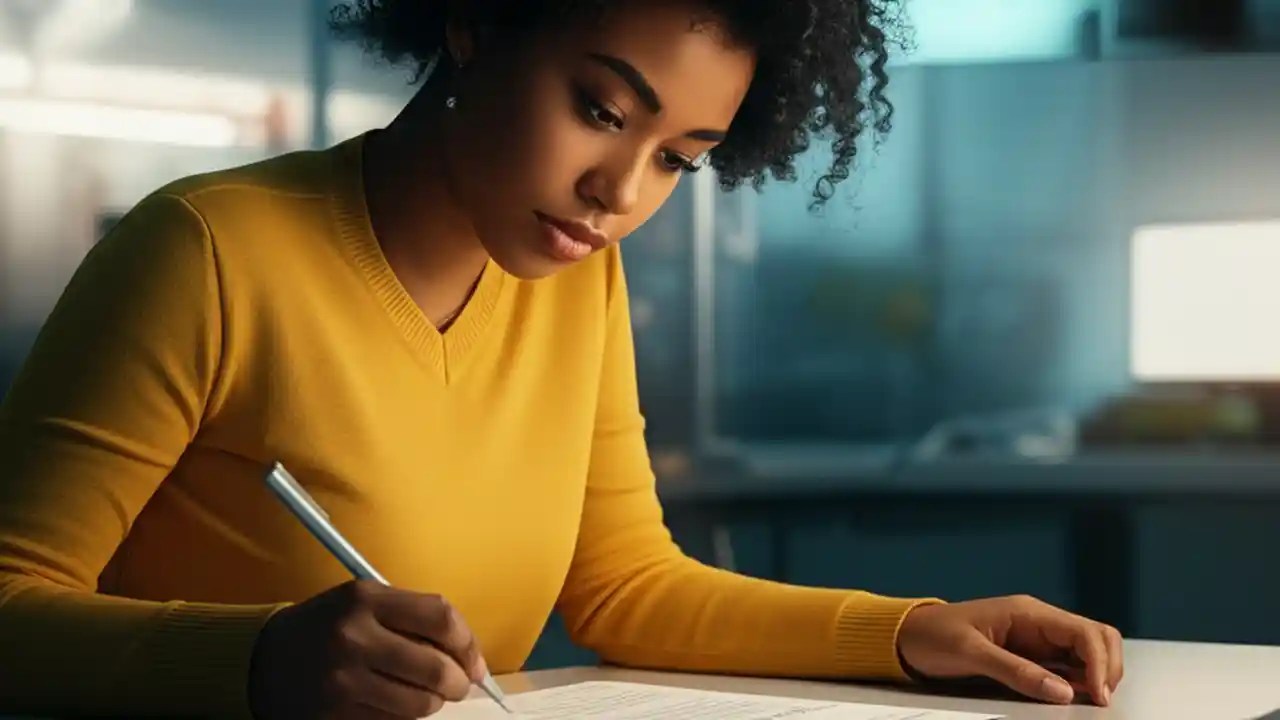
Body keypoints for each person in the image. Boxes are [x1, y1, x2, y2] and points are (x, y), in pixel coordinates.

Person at [0, 1, 1124, 718]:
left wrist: (908, 632)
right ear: (477, 23)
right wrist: (255, 666)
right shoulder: (207, 251)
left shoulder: (572, 273)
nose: (619, 194)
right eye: (598, 108)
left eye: (678, 160)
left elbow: (625, 587)